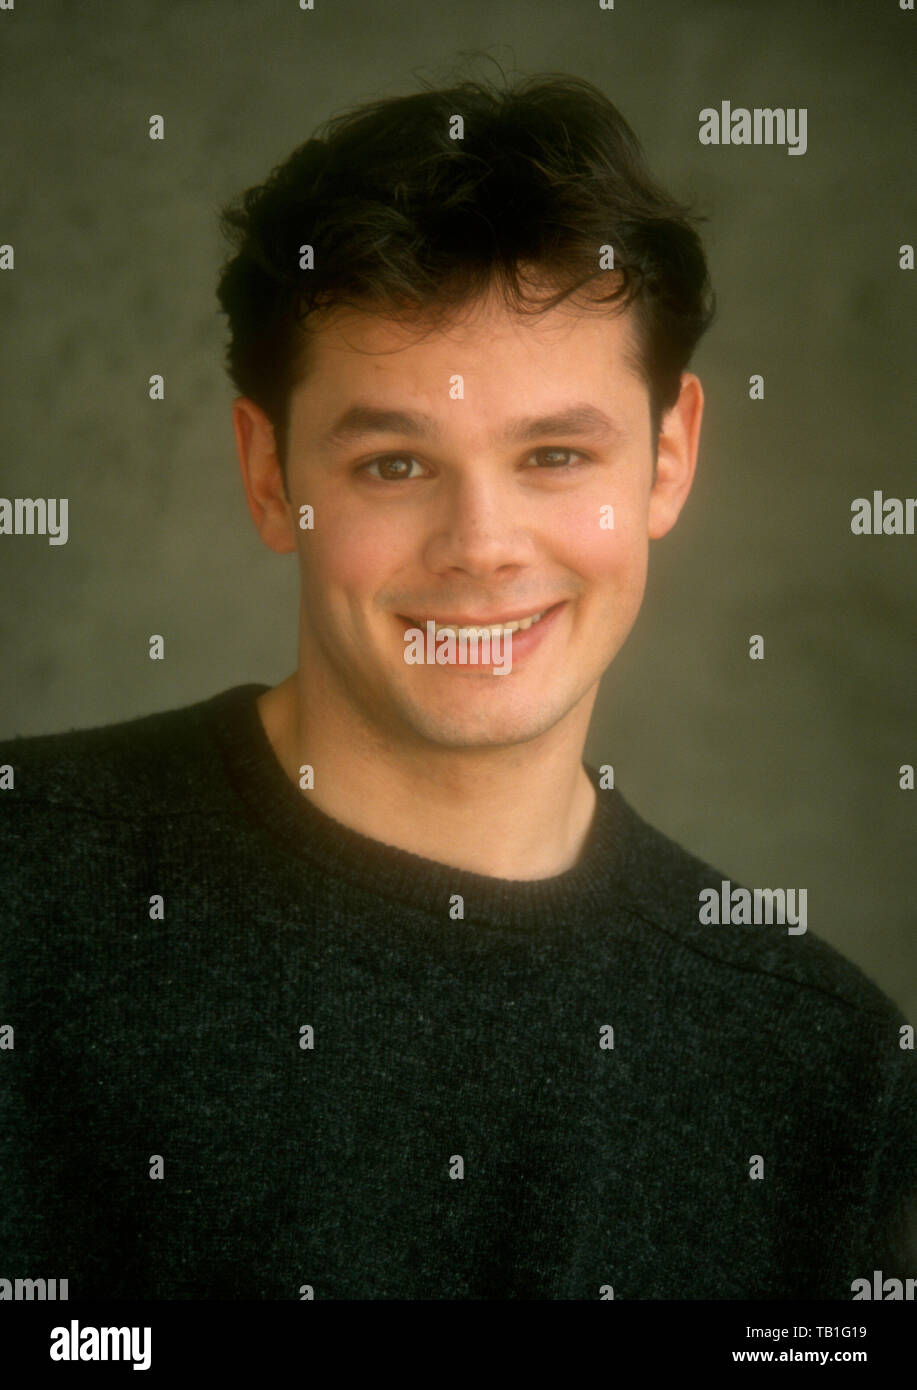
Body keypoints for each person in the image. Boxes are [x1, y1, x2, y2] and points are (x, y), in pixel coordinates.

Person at [1, 73, 914, 1302]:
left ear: (668, 456)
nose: (480, 545)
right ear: (269, 475)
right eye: (392, 462)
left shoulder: (825, 1074)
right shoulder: (24, 891)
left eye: (552, 455)